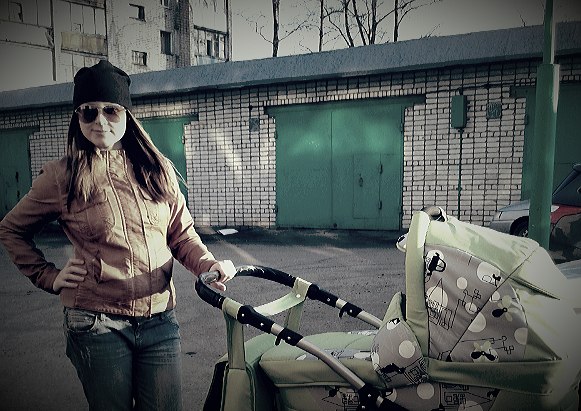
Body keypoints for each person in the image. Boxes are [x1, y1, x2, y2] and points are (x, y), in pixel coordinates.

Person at [0, 60, 235, 411]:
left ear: (126, 114)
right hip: (96, 322)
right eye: (88, 112)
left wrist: (207, 264)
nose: (100, 120)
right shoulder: (62, 176)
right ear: (78, 118)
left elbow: (181, 234)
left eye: (111, 110)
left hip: (159, 319)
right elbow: (12, 229)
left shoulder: (157, 168)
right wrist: (50, 277)